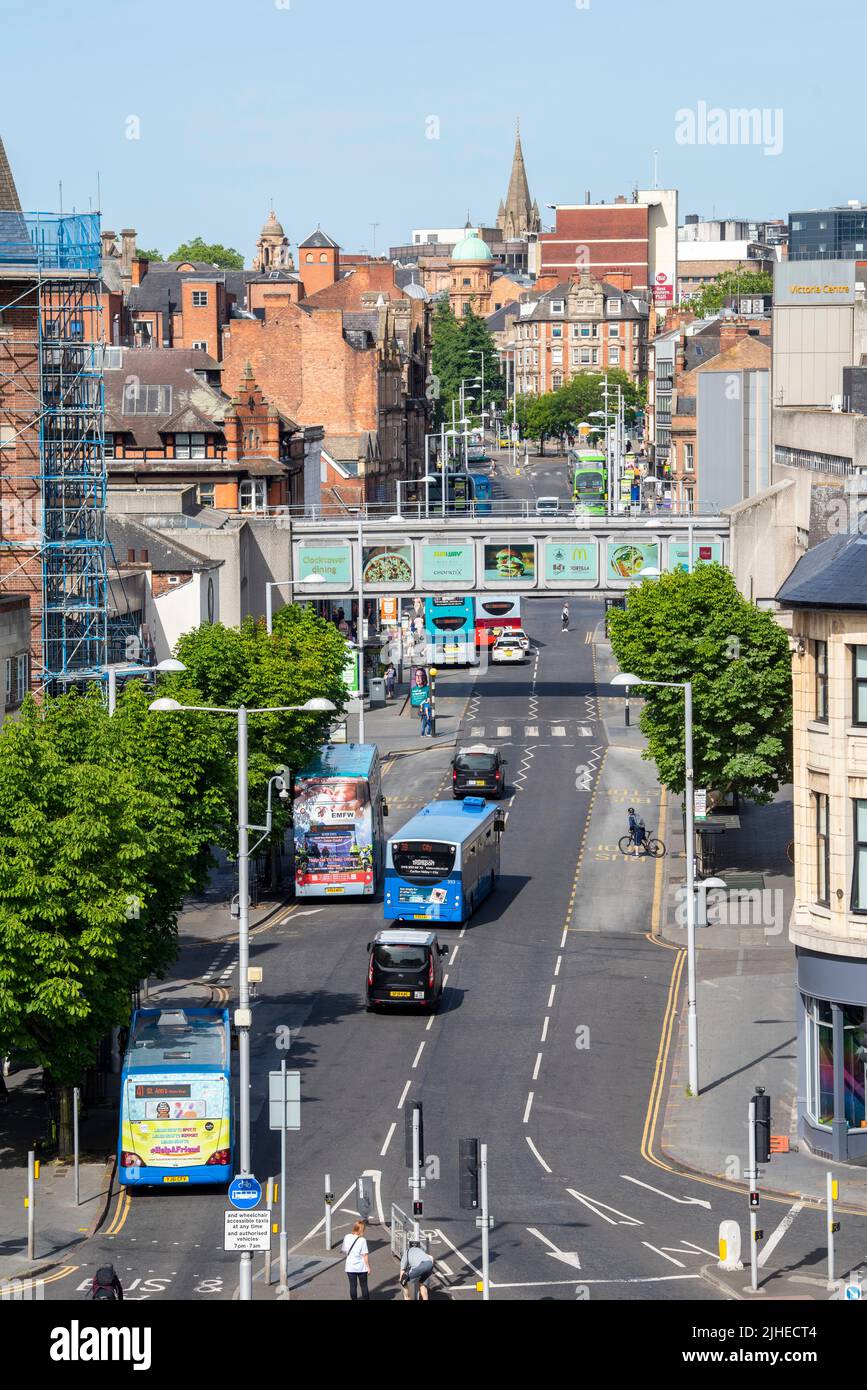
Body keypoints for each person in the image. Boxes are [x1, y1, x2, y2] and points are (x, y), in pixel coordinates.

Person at [341, 1220, 371, 1301]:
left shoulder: (347, 1236)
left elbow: (344, 1250)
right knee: (364, 1286)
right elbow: (365, 1255)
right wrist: (368, 1267)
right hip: (361, 1267)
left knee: (353, 1286)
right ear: (362, 1230)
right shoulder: (362, 1240)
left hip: (350, 1266)